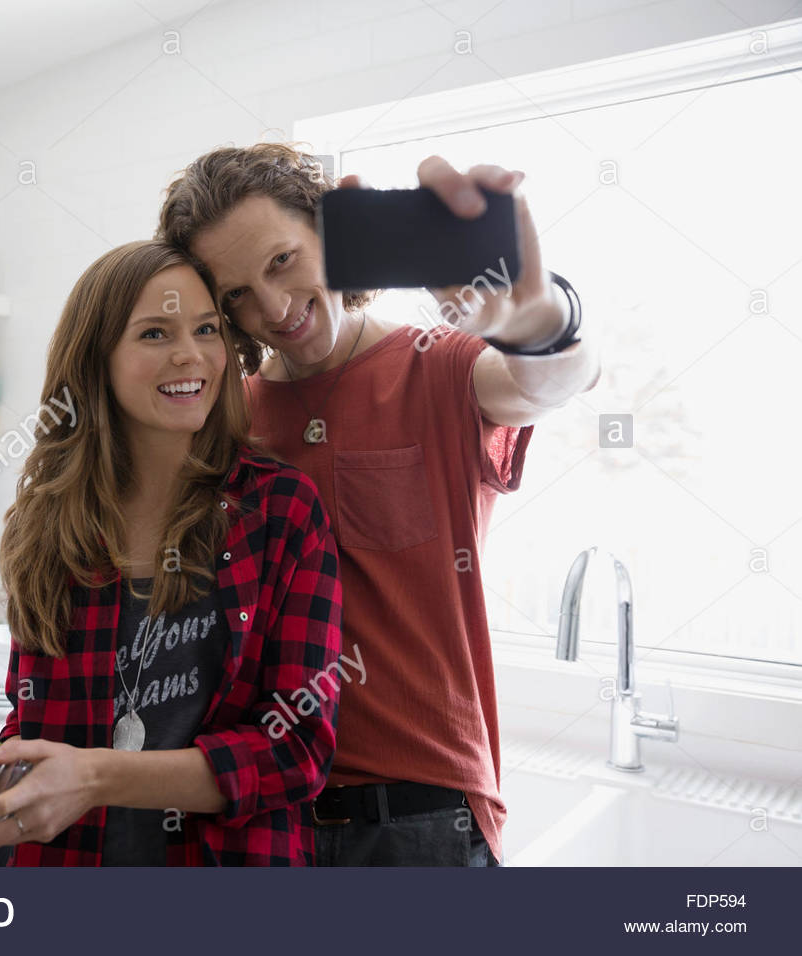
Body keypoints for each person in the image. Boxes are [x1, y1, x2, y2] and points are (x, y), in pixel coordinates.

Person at [156, 144, 601, 866]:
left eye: (281, 262)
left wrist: (538, 316)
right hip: (264, 815)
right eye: (235, 294)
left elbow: (546, 381)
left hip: (421, 818)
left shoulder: (440, 364)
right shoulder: (227, 418)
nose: (271, 309)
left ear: (332, 233)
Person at [0, 240, 343, 865]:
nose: (190, 354)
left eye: (206, 329)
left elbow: (296, 749)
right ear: (98, 363)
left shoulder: (281, 511)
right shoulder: (48, 522)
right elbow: (37, 728)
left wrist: (95, 777)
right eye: (153, 333)